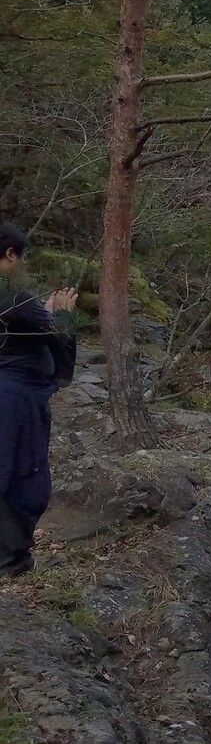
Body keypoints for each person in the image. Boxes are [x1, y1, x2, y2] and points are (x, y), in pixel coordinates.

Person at [0, 224, 77, 578]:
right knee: (21, 474)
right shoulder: (13, 297)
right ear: (10, 254)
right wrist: (62, 314)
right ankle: (11, 561)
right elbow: (58, 337)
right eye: (22, 256)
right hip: (16, 400)